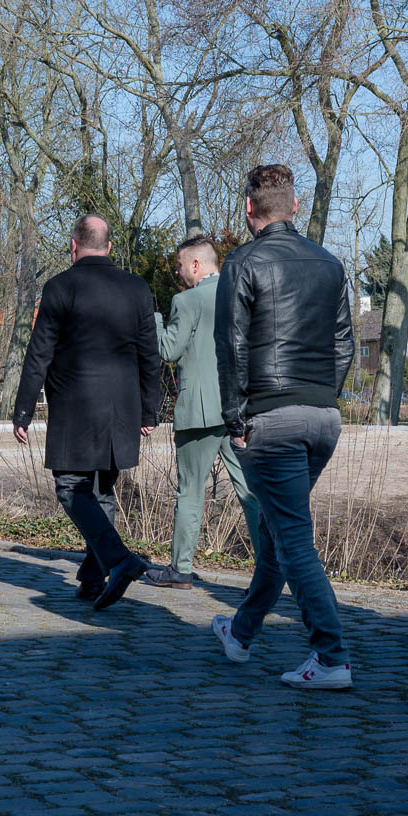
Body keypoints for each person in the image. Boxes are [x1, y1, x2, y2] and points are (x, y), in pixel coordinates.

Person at [210, 164, 356, 689]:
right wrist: (323, 395)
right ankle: (241, 632)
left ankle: (332, 656)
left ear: (249, 210)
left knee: (292, 538)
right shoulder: (330, 264)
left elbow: (231, 346)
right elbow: (344, 345)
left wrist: (236, 418)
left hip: (271, 418)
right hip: (323, 417)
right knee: (277, 527)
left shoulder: (242, 262)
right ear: (294, 207)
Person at [12, 215, 162, 611]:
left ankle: (118, 561)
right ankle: (94, 579)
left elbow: (38, 354)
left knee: (71, 489)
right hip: (123, 410)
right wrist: (150, 409)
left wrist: (23, 410)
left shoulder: (60, 287)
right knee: (102, 491)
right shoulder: (137, 288)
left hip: (75, 408)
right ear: (109, 246)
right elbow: (150, 355)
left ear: (74, 246)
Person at [147, 236, 252, 589]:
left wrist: (156, 319)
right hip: (240, 409)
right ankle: (274, 562)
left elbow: (167, 350)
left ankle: (180, 569)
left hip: (199, 412)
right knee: (250, 491)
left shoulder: (187, 300)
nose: (177, 273)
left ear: (195, 264)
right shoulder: (242, 294)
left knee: (190, 491)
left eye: (179, 266)